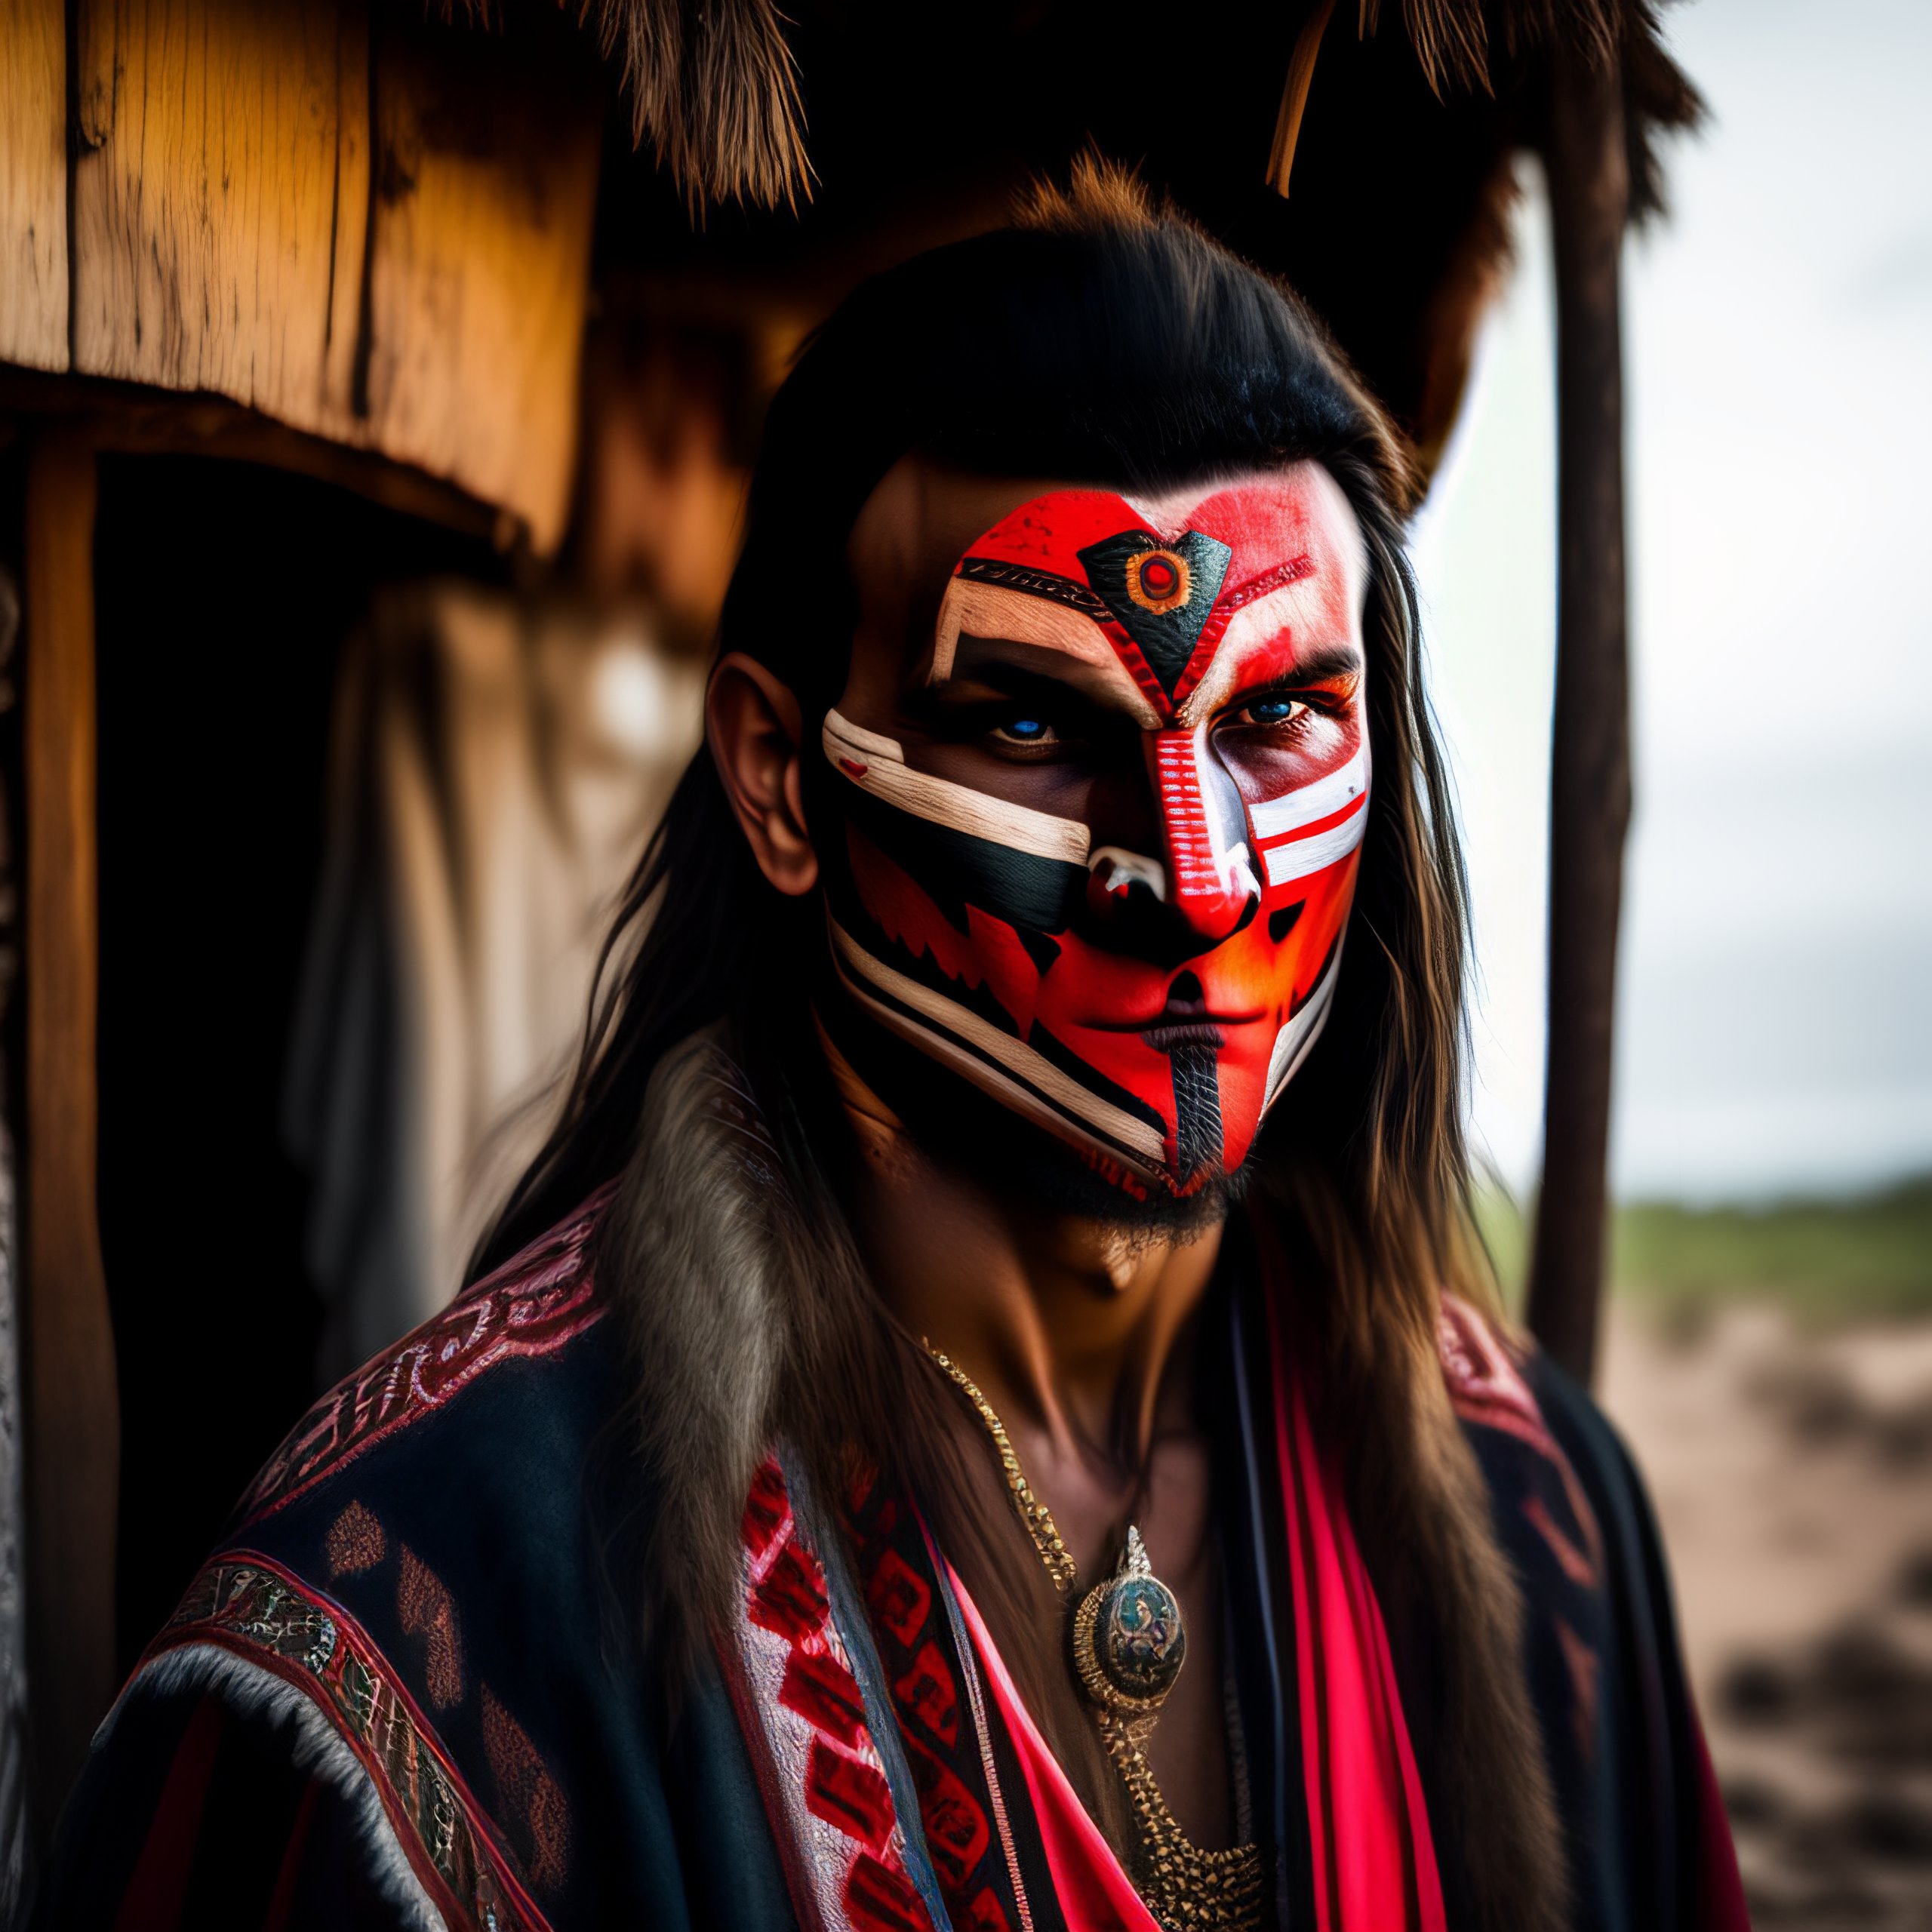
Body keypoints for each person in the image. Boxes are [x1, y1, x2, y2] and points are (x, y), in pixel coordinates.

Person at [34, 168, 1748, 1932]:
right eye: (1023, 717)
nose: (1193, 873)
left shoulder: (1543, 1518)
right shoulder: (449, 1587)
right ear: (780, 775)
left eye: (1278, 716)